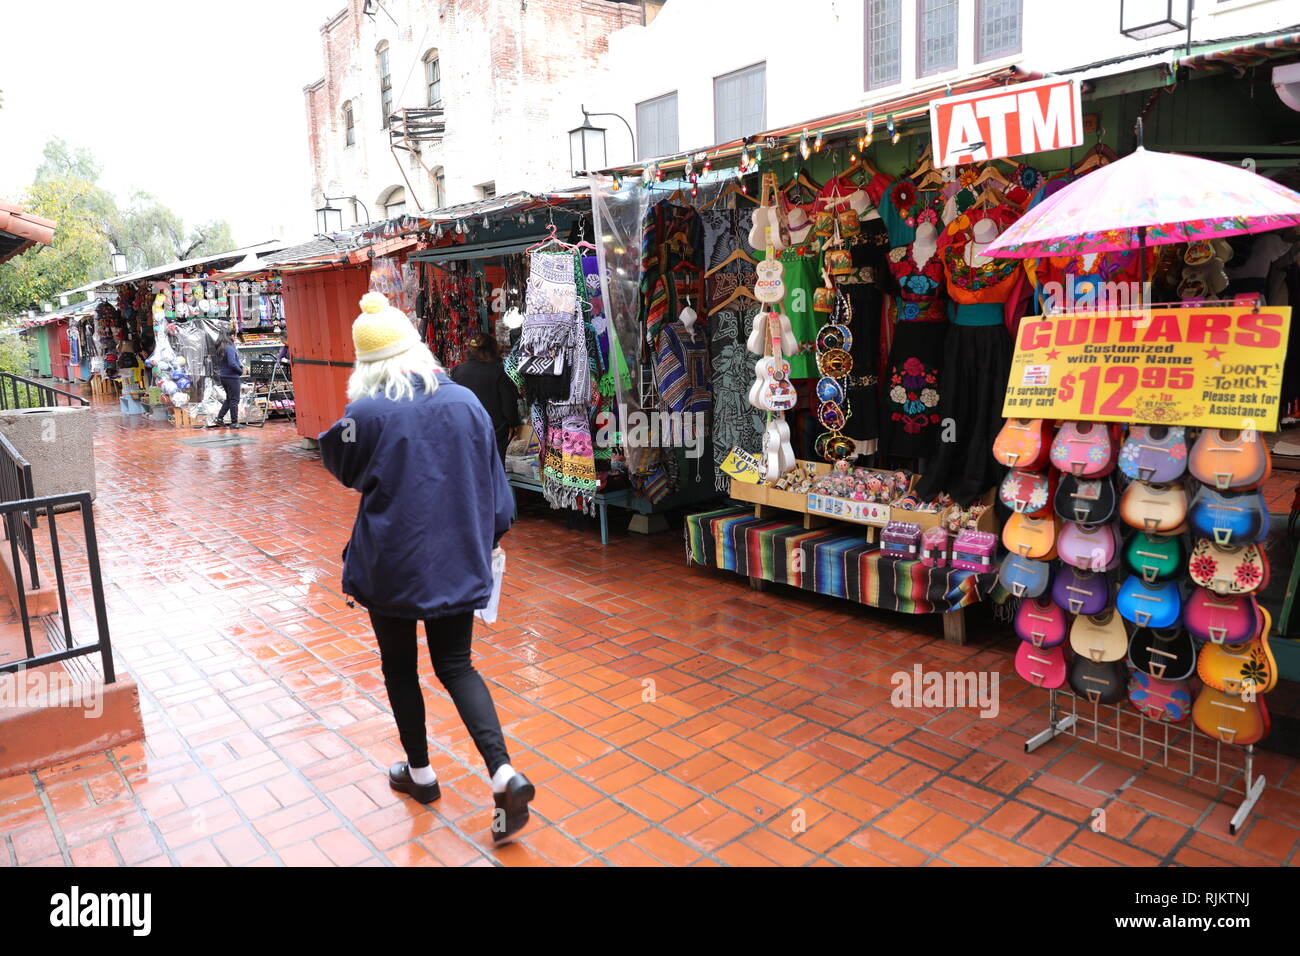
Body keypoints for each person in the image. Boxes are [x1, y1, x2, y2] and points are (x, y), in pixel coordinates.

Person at [318, 292, 534, 844]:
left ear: (367, 364)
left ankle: (421, 774)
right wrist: (485, 544)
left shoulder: (362, 414)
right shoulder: (465, 402)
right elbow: (499, 501)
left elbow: (340, 465)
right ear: (417, 350)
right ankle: (503, 771)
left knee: (399, 667)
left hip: (390, 563)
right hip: (457, 559)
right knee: (457, 665)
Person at [450, 332, 522, 463]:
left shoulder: (457, 370)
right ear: (491, 350)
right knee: (492, 470)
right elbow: (508, 404)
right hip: (494, 432)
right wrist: (513, 423)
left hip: (466, 430)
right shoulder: (497, 371)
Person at [209, 327, 245, 428]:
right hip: (232, 377)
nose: (235, 337)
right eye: (234, 335)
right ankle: (234, 423)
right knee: (234, 400)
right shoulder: (229, 347)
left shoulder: (222, 347)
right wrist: (240, 371)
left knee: (229, 399)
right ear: (229, 336)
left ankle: (219, 418)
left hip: (224, 376)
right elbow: (232, 363)